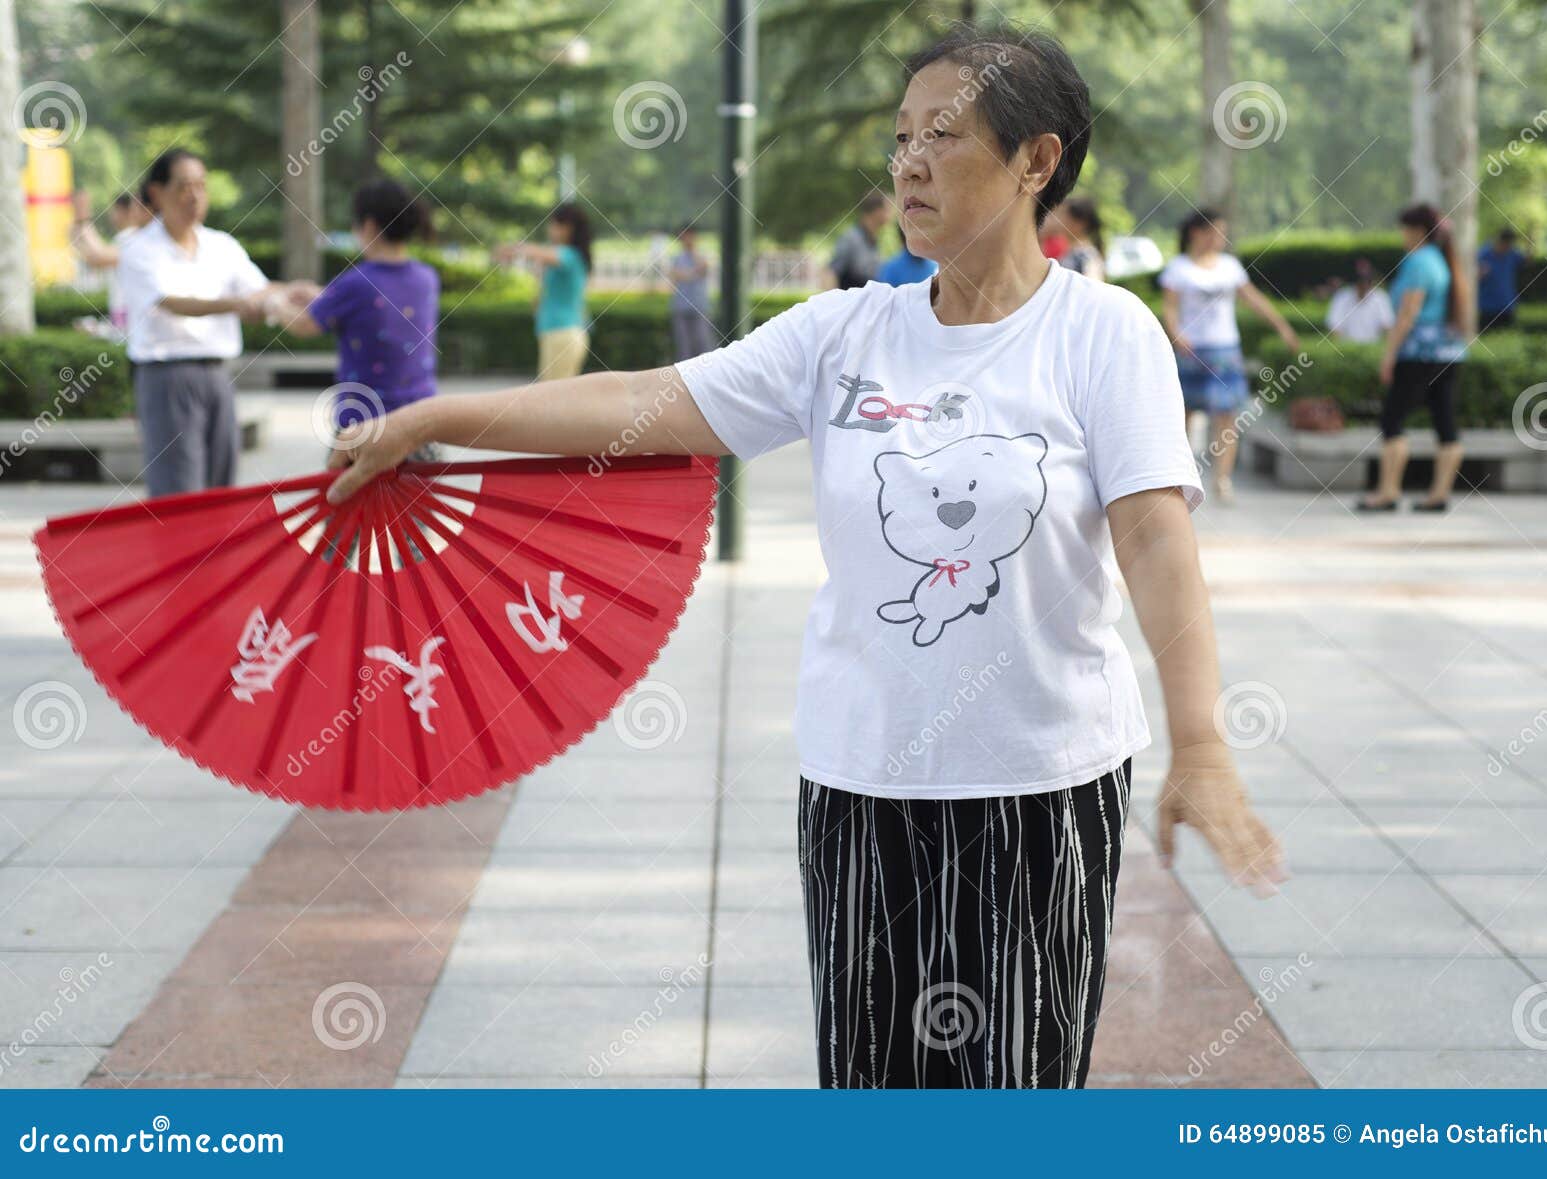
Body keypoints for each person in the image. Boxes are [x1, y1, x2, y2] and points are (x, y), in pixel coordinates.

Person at [326, 21, 1285, 1091]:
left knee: (1016, 1082)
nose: (908, 162)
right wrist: (432, 418)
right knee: (867, 1084)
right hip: (860, 778)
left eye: (943, 135)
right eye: (899, 137)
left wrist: (1200, 742)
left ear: (1036, 160)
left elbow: (1155, 537)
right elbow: (643, 403)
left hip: (1038, 785)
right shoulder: (841, 334)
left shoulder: (1103, 334)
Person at [118, 148, 307, 498]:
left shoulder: (222, 246)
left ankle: (215, 555)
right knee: (180, 494)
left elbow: (260, 289)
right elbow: (173, 303)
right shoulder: (138, 249)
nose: (195, 195)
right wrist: (238, 305)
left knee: (220, 490)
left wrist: (300, 293)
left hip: (218, 377)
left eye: (201, 186)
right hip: (167, 378)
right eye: (184, 186)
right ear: (157, 193)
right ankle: (179, 555)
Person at [273, 177, 443, 464]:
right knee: (413, 510)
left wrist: (274, 304)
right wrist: (324, 296)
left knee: (347, 505)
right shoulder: (427, 278)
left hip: (364, 432)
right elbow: (385, 308)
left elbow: (304, 325)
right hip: (421, 428)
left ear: (368, 227)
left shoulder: (357, 283)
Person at [1158, 208, 1300, 505]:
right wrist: (1175, 333)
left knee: (1227, 418)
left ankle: (1222, 479)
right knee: (1184, 415)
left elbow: (1253, 300)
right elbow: (1169, 307)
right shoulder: (1178, 268)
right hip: (1191, 350)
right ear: (1196, 232)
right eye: (1214, 231)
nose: (1219, 238)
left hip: (1225, 350)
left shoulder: (1230, 267)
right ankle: (1180, 477)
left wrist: (1282, 326)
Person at [1358, 203, 1470, 513]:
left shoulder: (1418, 262)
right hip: (1449, 351)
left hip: (1418, 353)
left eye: (1404, 229)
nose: (1401, 236)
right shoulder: (1441, 260)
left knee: (1392, 419)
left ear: (1417, 231)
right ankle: (1439, 494)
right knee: (1445, 421)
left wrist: (1389, 356)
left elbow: (1407, 314)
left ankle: (1388, 491)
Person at [495, 202, 592, 381]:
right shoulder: (566, 257)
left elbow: (544, 254)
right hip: (557, 334)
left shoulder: (570, 254)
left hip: (562, 334)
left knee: (554, 400)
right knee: (554, 397)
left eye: (554, 224)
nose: (550, 229)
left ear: (567, 228)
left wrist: (516, 250)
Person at [70, 186, 154, 338]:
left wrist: (82, 218)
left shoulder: (136, 239)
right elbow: (93, 253)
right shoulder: (131, 238)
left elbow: (96, 257)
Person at [667, 223, 716, 361]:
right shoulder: (677, 258)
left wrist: (693, 251)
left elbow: (703, 269)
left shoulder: (701, 255)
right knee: (684, 347)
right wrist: (690, 274)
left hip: (699, 307)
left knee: (703, 343)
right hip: (680, 307)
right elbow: (675, 276)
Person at [826, 191, 891, 288]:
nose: (891, 214)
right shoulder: (850, 238)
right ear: (877, 211)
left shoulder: (873, 238)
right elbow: (831, 272)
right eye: (888, 209)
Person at [1326, 257, 1394, 343]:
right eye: (1360, 280)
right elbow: (1334, 328)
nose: (1364, 284)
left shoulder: (1381, 297)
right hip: (1346, 348)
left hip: (1373, 349)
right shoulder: (1341, 296)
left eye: (1367, 280)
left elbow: (1387, 326)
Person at [1477, 228, 1525, 331]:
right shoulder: (1483, 254)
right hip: (1487, 309)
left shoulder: (1512, 254)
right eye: (1506, 244)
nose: (1507, 247)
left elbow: (1528, 260)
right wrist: (1479, 273)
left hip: (1507, 307)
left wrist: (1530, 239)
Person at [1059, 196, 1105, 280]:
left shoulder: (1087, 257)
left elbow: (1092, 288)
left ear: (1080, 223)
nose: (1060, 220)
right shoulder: (1071, 252)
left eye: (1064, 215)